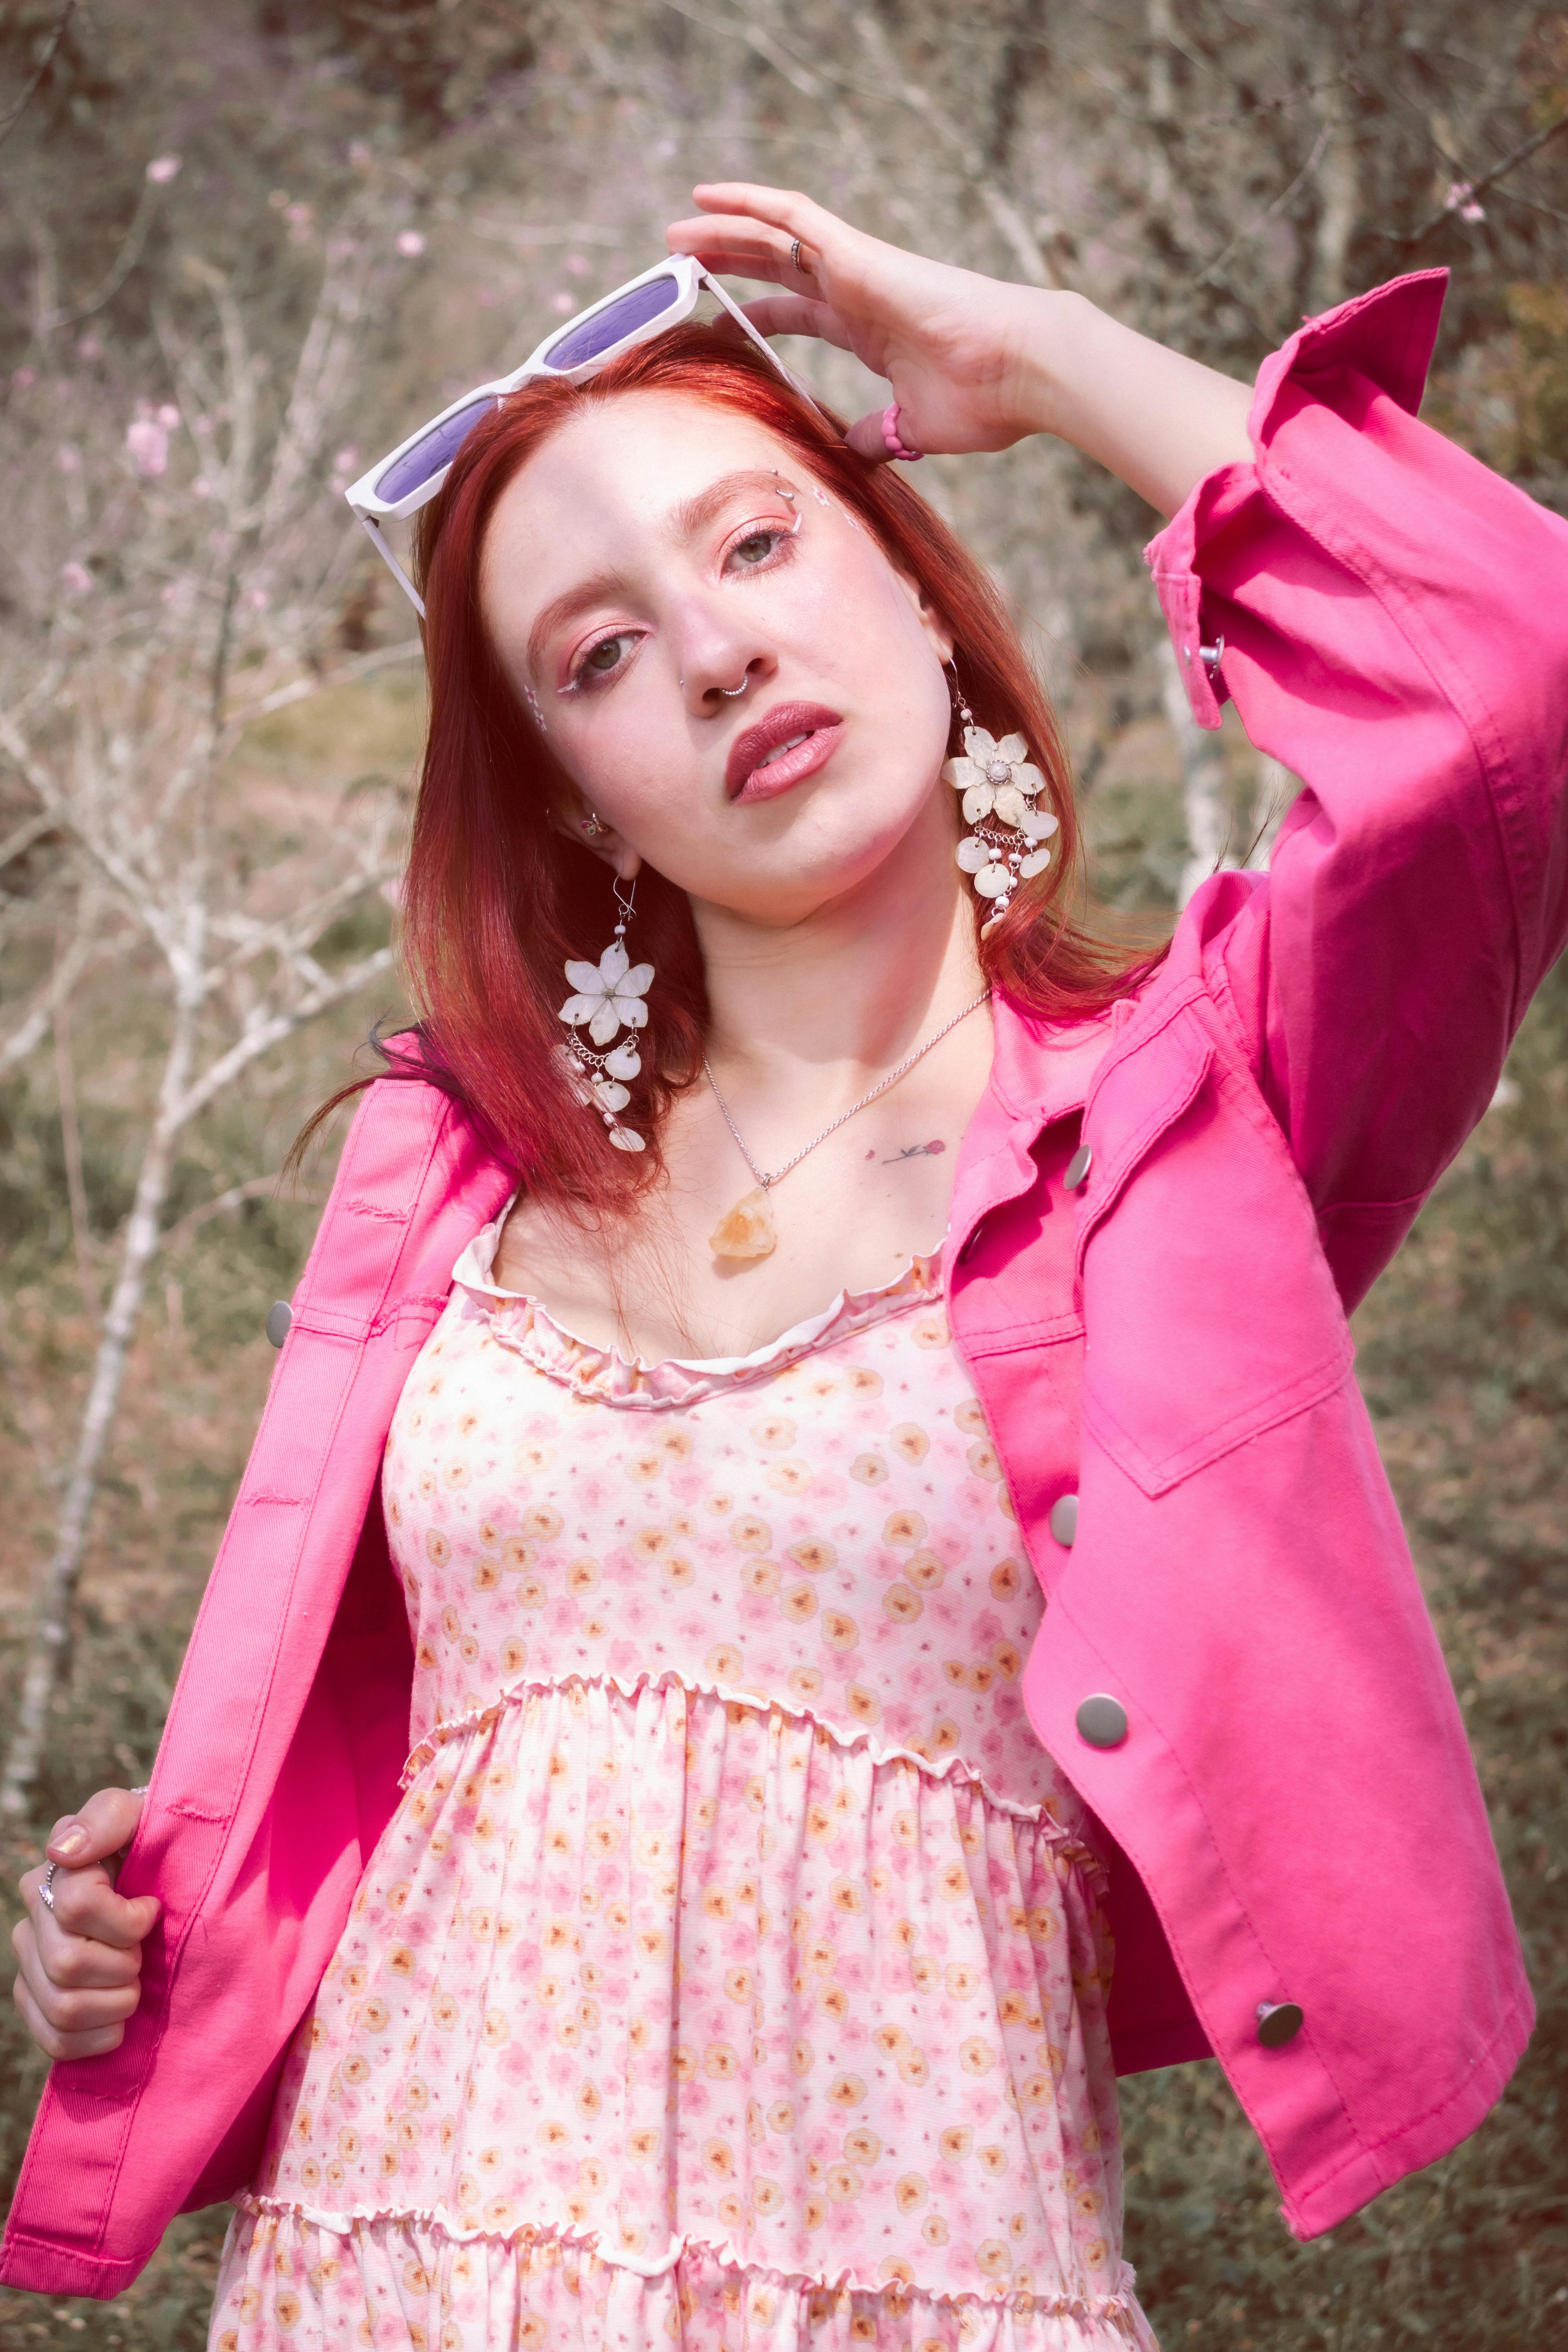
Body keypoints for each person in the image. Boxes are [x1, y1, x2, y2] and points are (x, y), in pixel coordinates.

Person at [6, 183, 1565, 2350]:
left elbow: (1505, 685)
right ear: (591, 807)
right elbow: (370, 1757)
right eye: (601, 654)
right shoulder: (451, 1174)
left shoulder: (1191, 1107)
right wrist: (133, 1927)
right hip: (393, 2285)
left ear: (916, 595)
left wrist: (1035, 355)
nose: (718, 651)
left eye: (755, 546)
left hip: (923, 2289)